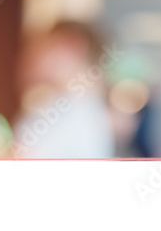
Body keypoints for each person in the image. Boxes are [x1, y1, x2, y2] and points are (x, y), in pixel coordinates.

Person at [13, 20, 115, 159]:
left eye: (43, 45)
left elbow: (17, 166)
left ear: (70, 45)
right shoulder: (84, 108)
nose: (32, 54)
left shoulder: (73, 110)